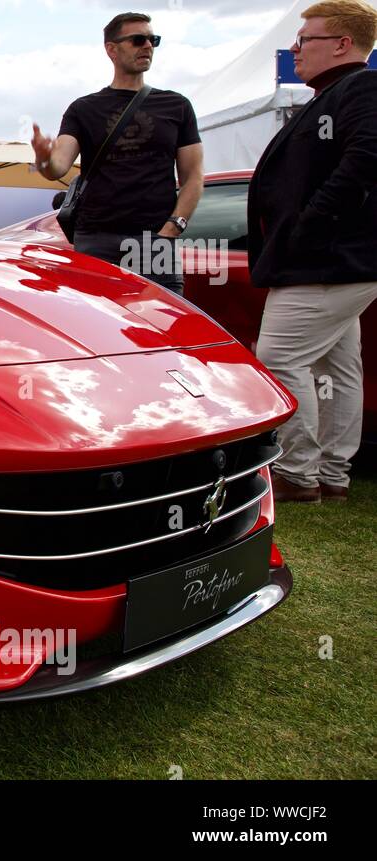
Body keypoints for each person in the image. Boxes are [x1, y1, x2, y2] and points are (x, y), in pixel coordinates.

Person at [248, 0, 377, 504]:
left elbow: (367, 156)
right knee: (340, 367)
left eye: (306, 40)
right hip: (329, 260)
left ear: (342, 44)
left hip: (325, 260)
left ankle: (300, 474)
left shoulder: (361, 87)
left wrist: (310, 224)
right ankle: (331, 473)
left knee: (278, 359)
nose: (295, 50)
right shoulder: (334, 94)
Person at [30, 11, 204, 295]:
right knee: (95, 332)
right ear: (111, 49)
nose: (147, 46)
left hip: (154, 241)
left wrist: (172, 228)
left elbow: (194, 177)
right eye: (138, 40)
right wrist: (44, 157)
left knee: (161, 330)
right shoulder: (84, 109)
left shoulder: (176, 105)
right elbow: (57, 167)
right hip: (97, 239)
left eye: (153, 40)